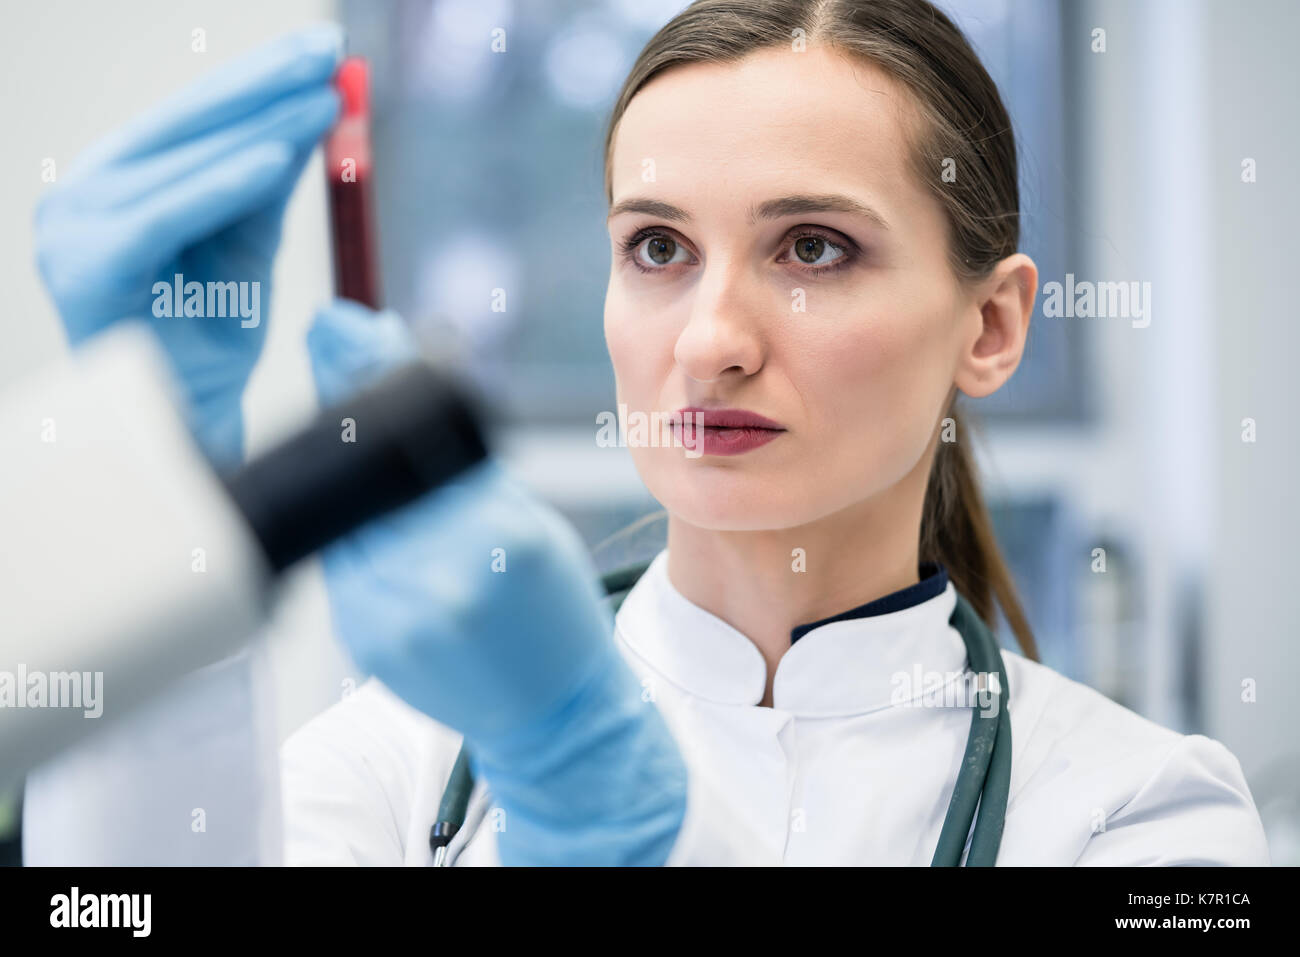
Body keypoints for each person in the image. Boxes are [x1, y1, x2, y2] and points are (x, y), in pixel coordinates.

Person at [33, 0, 1271, 867]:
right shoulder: (405, 762)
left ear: (990, 326)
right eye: (659, 248)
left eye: (813, 248)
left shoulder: (1143, 815)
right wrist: (162, 524)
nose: (709, 339)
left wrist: (609, 818)